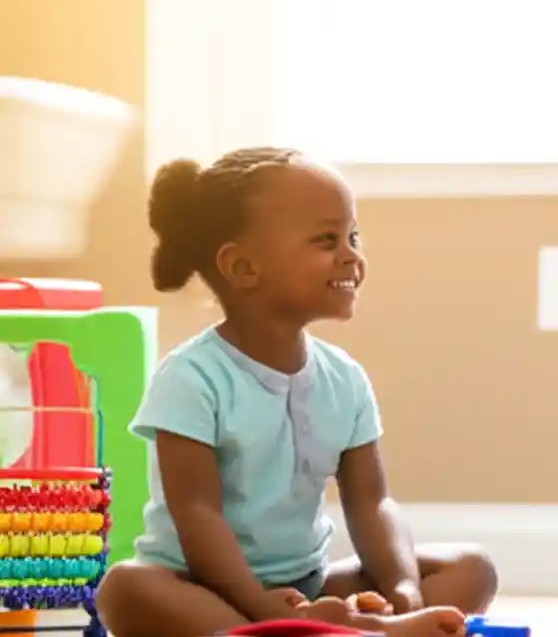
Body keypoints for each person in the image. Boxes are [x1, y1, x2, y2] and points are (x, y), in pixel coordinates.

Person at [95, 148, 498, 637]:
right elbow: (196, 515)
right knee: (125, 588)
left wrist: (403, 592)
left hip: (308, 584)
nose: (351, 254)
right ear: (243, 267)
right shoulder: (190, 378)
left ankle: (336, 630)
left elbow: (372, 503)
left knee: (471, 569)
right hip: (204, 587)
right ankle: (331, 633)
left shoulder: (344, 378)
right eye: (326, 240)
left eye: (353, 236)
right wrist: (262, 608)